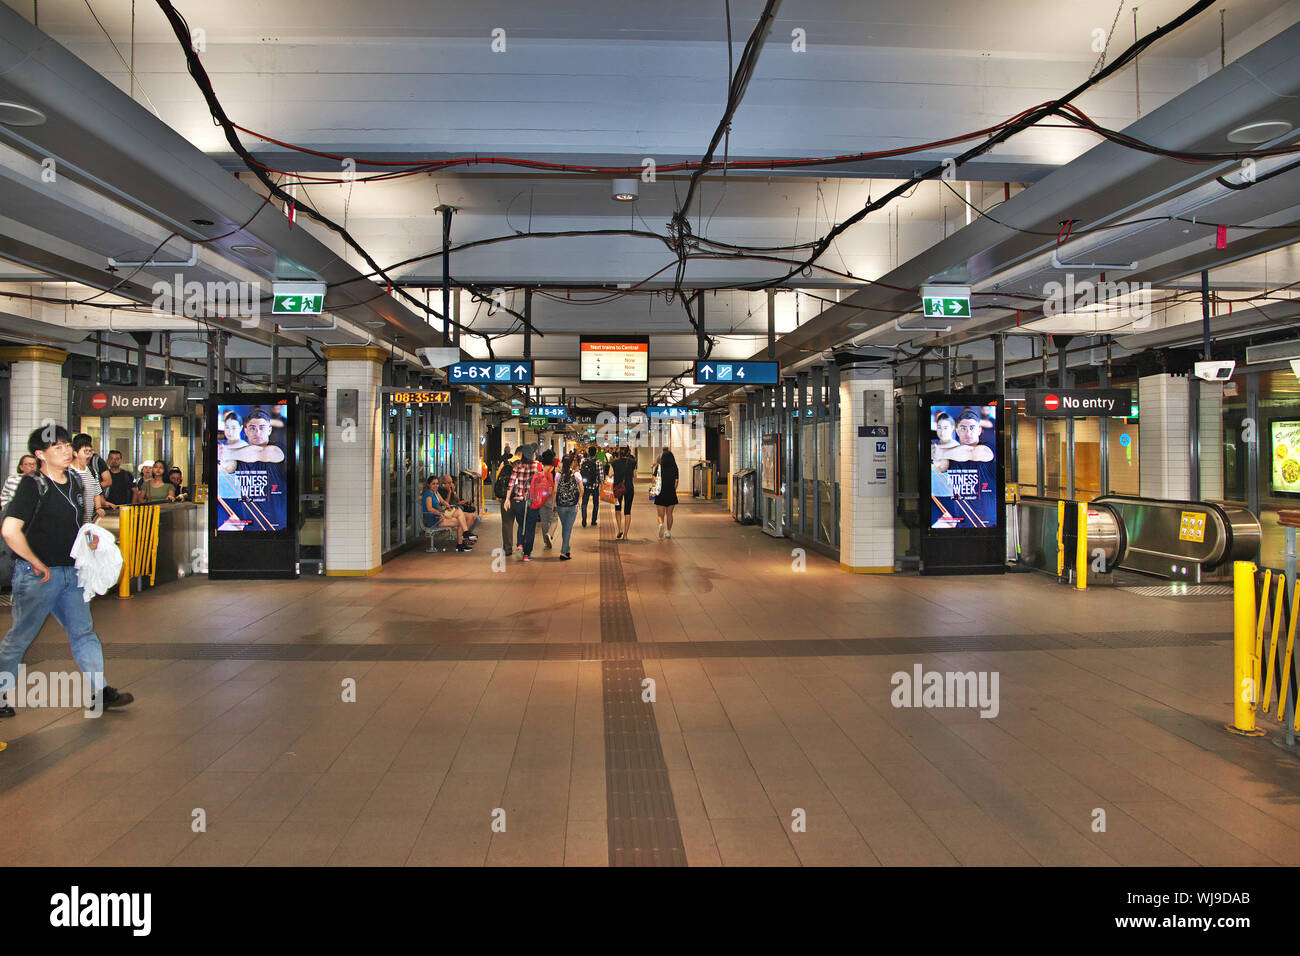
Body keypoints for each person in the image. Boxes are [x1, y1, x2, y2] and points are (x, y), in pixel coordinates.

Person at [0, 426, 134, 717]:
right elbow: (10, 530)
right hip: (38, 576)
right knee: (20, 637)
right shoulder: (31, 484)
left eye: (66, 445)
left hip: (71, 573)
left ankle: (101, 692)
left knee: (84, 632)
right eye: (57, 447)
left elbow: (74, 523)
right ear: (40, 454)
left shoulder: (74, 480)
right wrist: (35, 562)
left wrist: (89, 538)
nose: (66, 451)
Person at [218, 406, 287, 530]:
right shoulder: (238, 454)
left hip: (278, 528)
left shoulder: (278, 449)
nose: (257, 432)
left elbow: (259, 453)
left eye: (262, 428)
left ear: (269, 430)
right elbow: (228, 467)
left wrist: (227, 452)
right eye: (252, 428)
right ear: (245, 430)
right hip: (250, 528)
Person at [931, 407, 998, 529]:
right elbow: (941, 466)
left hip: (988, 525)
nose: (968, 432)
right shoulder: (952, 454)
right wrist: (936, 453)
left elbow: (970, 452)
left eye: (972, 428)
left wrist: (941, 452)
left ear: (979, 430)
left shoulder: (989, 448)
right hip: (961, 524)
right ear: (956, 431)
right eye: (963, 428)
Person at [503, 445, 540, 561]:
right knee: (530, 527)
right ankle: (526, 554)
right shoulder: (538, 466)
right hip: (532, 502)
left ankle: (521, 543)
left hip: (519, 502)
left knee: (522, 524)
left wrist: (507, 499)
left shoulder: (517, 466)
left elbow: (511, 483)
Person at [423, 475, 473, 551]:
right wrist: (440, 513)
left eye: (437, 484)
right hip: (434, 519)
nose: (435, 485)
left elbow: (443, 501)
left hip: (440, 515)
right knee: (461, 521)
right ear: (428, 484)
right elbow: (430, 509)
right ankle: (461, 542)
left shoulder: (435, 492)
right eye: (433, 484)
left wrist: (448, 506)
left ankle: (464, 536)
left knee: (459, 514)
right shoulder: (428, 495)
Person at [70, 434, 109, 525]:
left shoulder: (92, 471)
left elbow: (96, 493)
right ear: (75, 453)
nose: (89, 454)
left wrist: (98, 508)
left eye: (90, 451)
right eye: (85, 451)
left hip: (88, 521)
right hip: (72, 522)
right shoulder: (68, 471)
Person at [554, 453, 583, 560]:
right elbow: (582, 489)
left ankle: (567, 550)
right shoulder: (576, 475)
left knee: (565, 527)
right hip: (572, 505)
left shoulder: (558, 475)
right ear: (572, 463)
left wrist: (554, 504)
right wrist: (579, 500)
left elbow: (555, 491)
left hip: (560, 505)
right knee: (568, 529)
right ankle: (563, 552)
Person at [494, 446, 520, 556]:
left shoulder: (504, 463)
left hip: (506, 499)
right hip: (519, 499)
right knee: (523, 524)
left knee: (507, 524)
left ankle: (507, 549)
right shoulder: (523, 464)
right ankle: (522, 547)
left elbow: (497, 478)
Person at [437, 474, 478, 540]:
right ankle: (463, 538)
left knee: (474, 516)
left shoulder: (449, 490)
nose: (451, 484)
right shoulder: (441, 491)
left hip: (454, 509)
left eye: (451, 482)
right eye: (449, 483)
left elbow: (457, 500)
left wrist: (453, 491)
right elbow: (445, 504)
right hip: (448, 512)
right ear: (443, 484)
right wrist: (449, 492)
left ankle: (464, 536)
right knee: (467, 518)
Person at [611, 445, 637, 540]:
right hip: (629, 487)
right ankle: (625, 535)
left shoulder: (614, 462)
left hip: (618, 488)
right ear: (628, 452)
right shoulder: (633, 462)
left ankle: (620, 529)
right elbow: (634, 475)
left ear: (619, 452)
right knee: (627, 510)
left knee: (618, 509)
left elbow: (610, 474)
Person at [654, 448, 680, 539]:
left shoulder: (659, 467)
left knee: (660, 514)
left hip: (660, 492)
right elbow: (676, 481)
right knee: (669, 514)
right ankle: (668, 532)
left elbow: (654, 479)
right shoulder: (675, 467)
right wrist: (673, 489)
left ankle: (661, 524)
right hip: (671, 492)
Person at [536, 449, 558, 550]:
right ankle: (549, 534)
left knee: (544, 521)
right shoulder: (553, 470)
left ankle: (546, 542)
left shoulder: (539, 469)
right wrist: (554, 502)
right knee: (554, 519)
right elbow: (554, 489)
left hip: (540, 497)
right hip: (550, 498)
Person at [580, 444, 602, 528]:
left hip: (586, 486)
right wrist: (602, 484)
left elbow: (581, 473)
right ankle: (593, 521)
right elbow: (601, 476)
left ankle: (584, 519)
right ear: (595, 453)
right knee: (595, 503)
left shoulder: (584, 461)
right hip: (595, 486)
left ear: (588, 453)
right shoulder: (598, 462)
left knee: (584, 503)